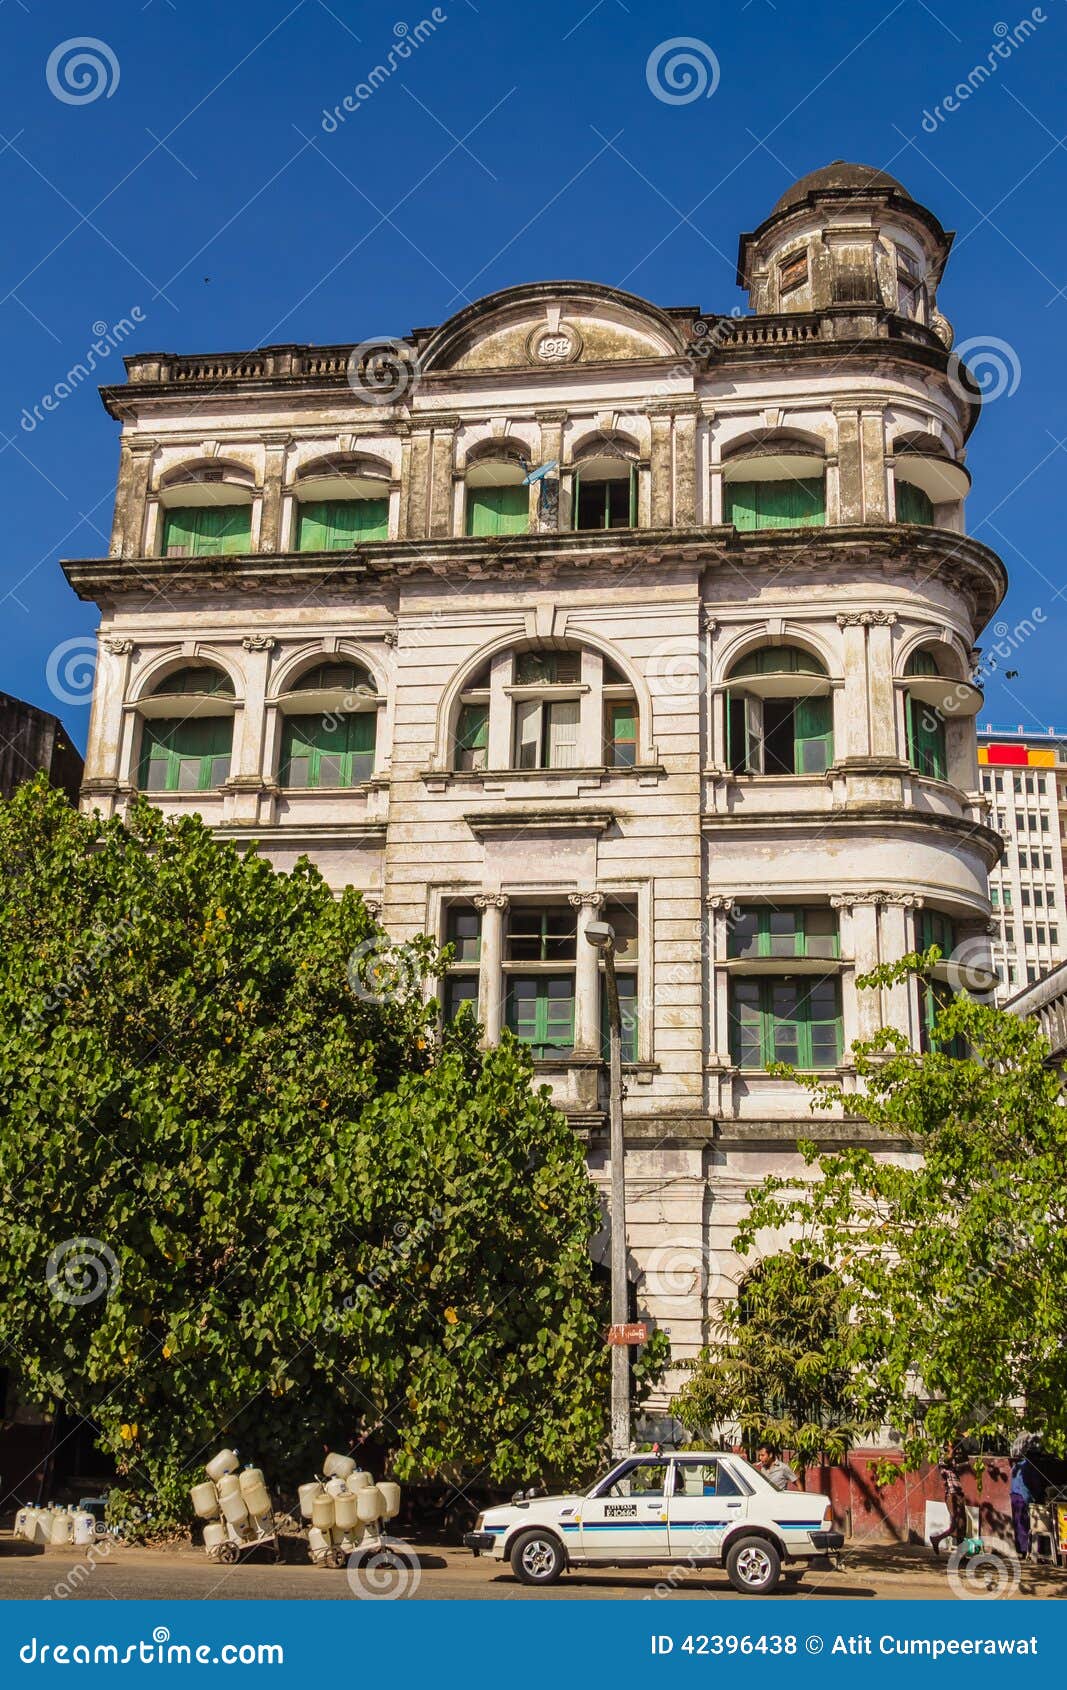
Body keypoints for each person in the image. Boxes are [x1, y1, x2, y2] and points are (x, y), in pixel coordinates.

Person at [930, 1441, 968, 1557]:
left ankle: (960, 1556)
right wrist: (952, 1443)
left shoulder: (954, 1460)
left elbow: (966, 1458)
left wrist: (960, 1443)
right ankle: (936, 1539)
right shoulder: (942, 1460)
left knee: (962, 1525)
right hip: (951, 1495)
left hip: (959, 1494)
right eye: (951, 1448)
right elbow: (950, 1456)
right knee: (956, 1524)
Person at [1010, 1439, 1046, 1558]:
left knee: (1018, 1523)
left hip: (1014, 1496)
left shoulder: (1018, 1465)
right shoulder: (1030, 1468)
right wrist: (1033, 1500)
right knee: (1024, 1524)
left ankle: (1021, 1549)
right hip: (1022, 1497)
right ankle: (1026, 1550)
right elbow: (1028, 1486)